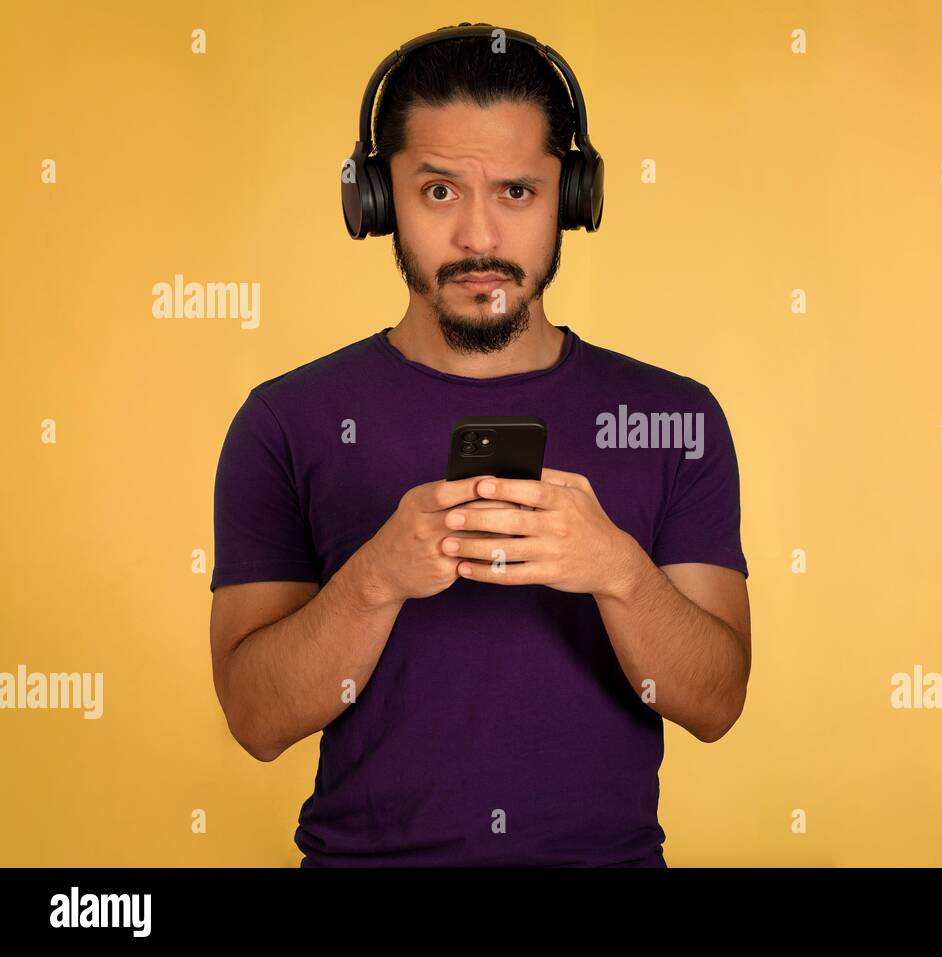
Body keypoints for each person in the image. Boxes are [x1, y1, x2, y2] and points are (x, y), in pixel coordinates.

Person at [207, 28, 750, 867]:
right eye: (437, 191)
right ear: (376, 202)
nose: (477, 236)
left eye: (518, 191)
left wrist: (617, 569)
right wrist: (376, 578)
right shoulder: (285, 420)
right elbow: (255, 719)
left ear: (570, 199)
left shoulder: (675, 416)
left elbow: (716, 703)